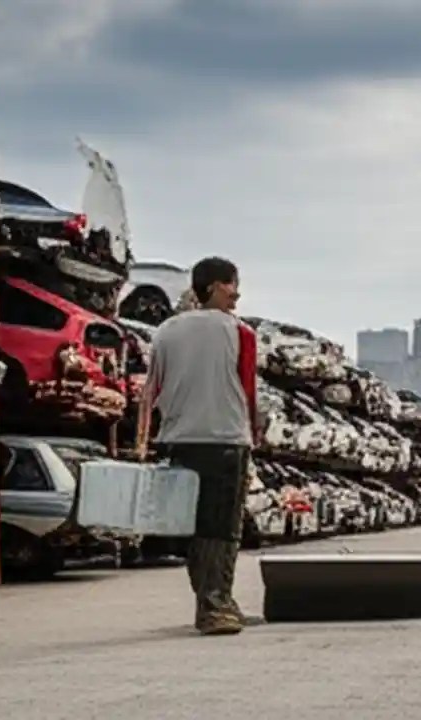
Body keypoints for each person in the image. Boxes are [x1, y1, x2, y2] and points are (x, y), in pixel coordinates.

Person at [136, 257, 259, 636]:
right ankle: (215, 605)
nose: (237, 294)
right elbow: (249, 392)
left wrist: (141, 442)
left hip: (177, 442)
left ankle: (215, 602)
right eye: (233, 285)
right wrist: (254, 434)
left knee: (193, 526)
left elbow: (148, 392)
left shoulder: (165, 331)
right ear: (217, 285)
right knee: (222, 528)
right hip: (224, 438)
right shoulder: (240, 332)